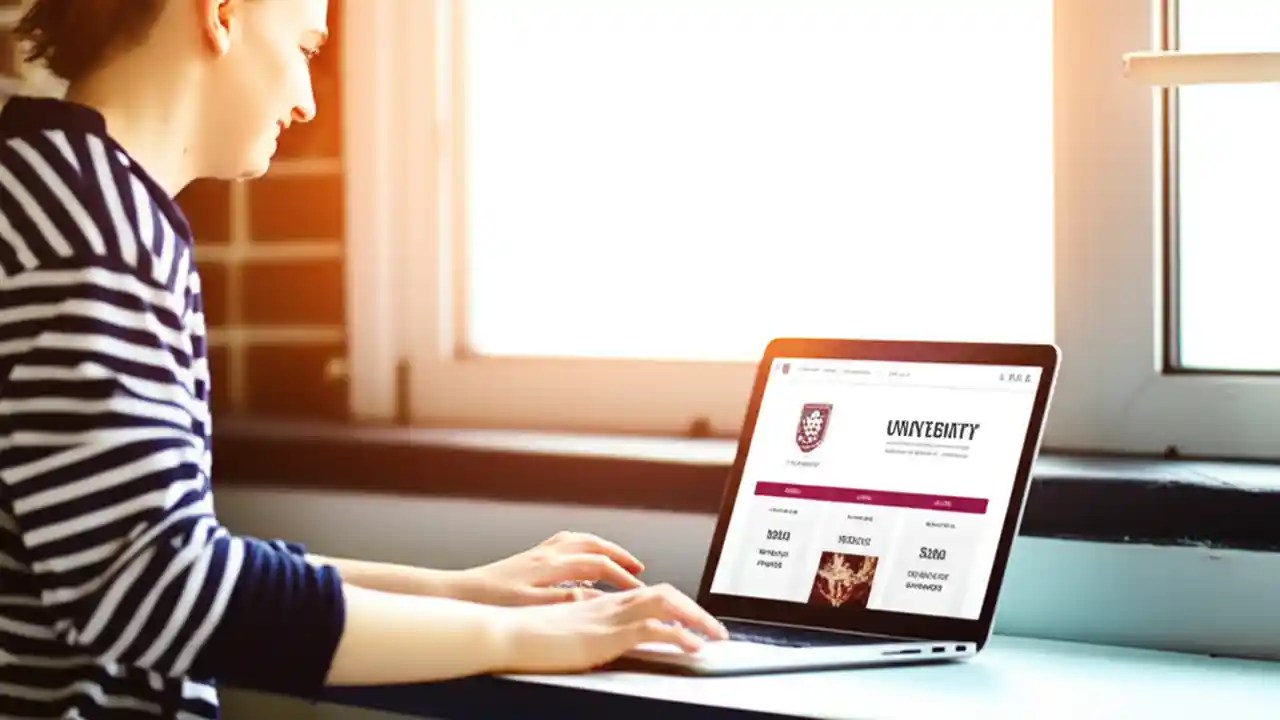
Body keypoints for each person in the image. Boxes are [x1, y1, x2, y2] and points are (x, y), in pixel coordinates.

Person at [0, 1, 728, 717]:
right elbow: (157, 586)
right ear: (220, 14)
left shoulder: (57, 193)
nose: (308, 103)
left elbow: (163, 550)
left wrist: (461, 591)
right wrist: (527, 633)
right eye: (307, 50)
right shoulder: (92, 233)